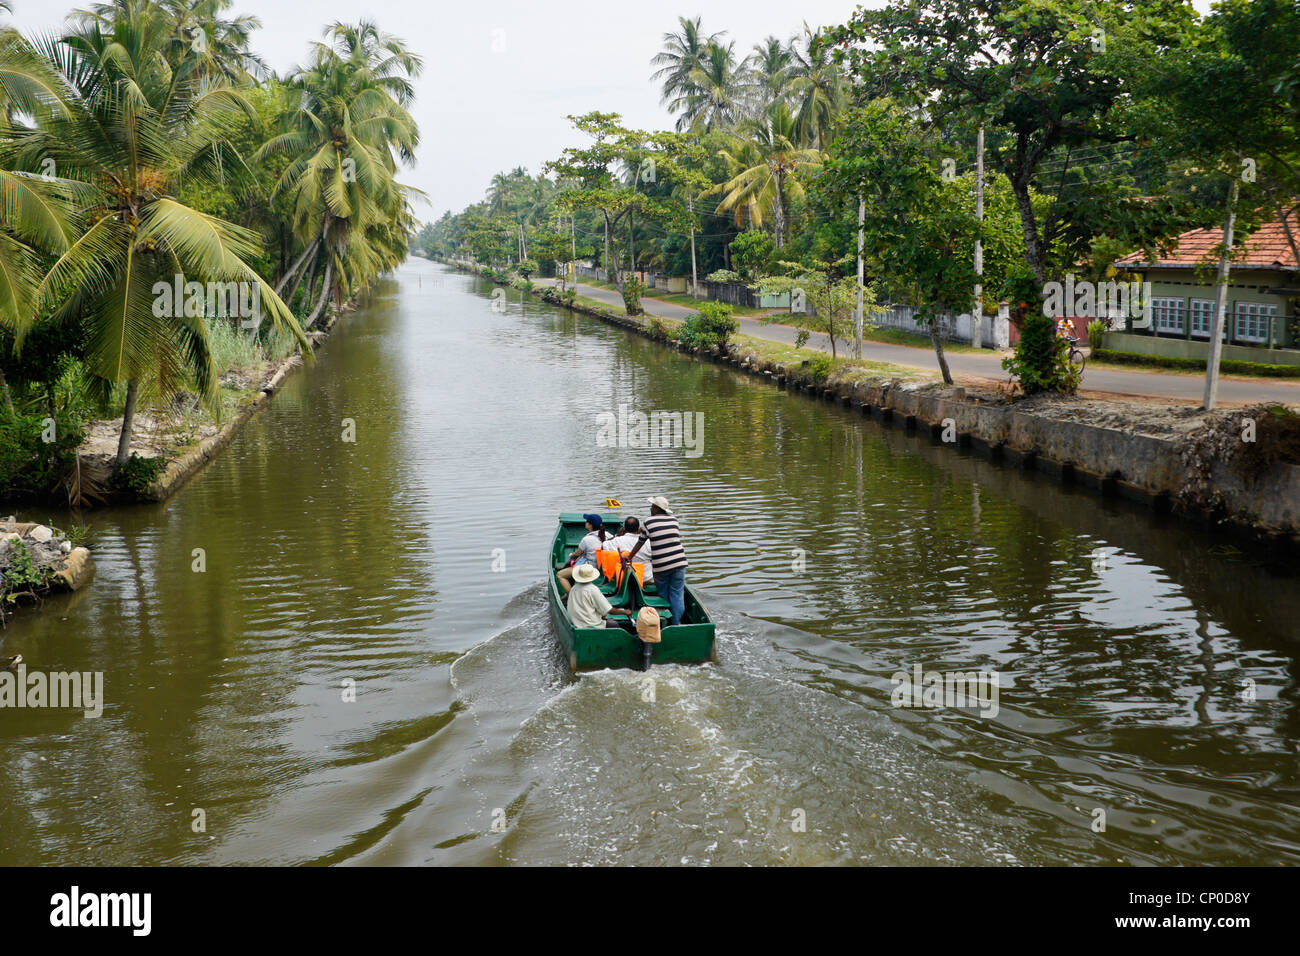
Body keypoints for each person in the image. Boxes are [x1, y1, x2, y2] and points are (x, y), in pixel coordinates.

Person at [627, 496, 687, 626]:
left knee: (664, 594)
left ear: (656, 509)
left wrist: (630, 557)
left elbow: (641, 542)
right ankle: (676, 623)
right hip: (680, 562)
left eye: (652, 506)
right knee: (677, 594)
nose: (650, 509)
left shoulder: (648, 522)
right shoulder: (674, 520)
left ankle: (666, 621)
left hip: (662, 565)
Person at [557, 514, 608, 594]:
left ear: (590, 525)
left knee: (560, 575)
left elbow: (577, 553)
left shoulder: (587, 539)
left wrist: (571, 555)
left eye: (586, 521)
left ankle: (572, 596)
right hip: (604, 568)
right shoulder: (608, 535)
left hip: (589, 568)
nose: (585, 523)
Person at [566, 563, 621, 628]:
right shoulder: (593, 590)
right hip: (590, 625)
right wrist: (626, 612)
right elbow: (610, 611)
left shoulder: (573, 588)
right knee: (614, 624)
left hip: (576, 622)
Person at [601, 516, 653, 584]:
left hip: (625, 577)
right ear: (639, 529)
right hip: (646, 578)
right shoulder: (648, 542)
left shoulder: (617, 541)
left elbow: (603, 546)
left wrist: (617, 535)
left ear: (623, 529)